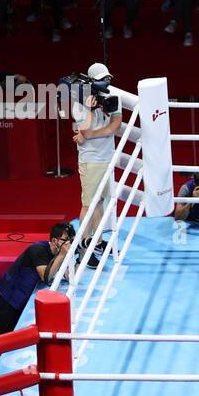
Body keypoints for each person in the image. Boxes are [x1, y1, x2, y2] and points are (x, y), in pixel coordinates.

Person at [72, 64, 124, 267]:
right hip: (90, 161)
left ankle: (98, 242)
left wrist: (90, 135)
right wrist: (91, 110)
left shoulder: (113, 97)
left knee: (100, 203)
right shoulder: (79, 103)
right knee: (88, 205)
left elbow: (115, 125)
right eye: (102, 79)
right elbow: (83, 127)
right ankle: (84, 250)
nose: (107, 82)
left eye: (108, 78)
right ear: (91, 81)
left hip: (107, 159)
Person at [0, 223, 74, 336]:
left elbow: (68, 275)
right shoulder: (38, 250)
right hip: (8, 300)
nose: (68, 244)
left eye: (70, 241)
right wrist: (61, 255)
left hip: (21, 299)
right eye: (65, 240)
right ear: (55, 240)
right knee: (3, 340)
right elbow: (46, 277)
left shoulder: (57, 252)